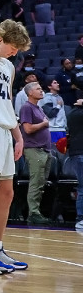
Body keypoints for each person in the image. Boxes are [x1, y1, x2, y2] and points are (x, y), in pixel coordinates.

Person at [0, 20, 29, 273]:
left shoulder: (8, 67)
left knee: (6, 192)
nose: (15, 52)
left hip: (4, 131)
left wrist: (18, 135)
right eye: (13, 46)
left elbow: (6, 101)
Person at [20, 81, 53, 226]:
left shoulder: (37, 108)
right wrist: (43, 124)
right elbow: (27, 129)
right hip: (34, 150)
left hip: (44, 150)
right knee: (36, 182)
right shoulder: (27, 107)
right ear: (30, 93)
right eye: (38, 89)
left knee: (41, 183)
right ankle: (33, 213)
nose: (41, 90)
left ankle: (36, 211)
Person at [66, 99, 83, 234]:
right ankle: (80, 218)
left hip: (77, 153)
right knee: (82, 187)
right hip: (79, 153)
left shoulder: (72, 113)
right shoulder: (77, 114)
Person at [45, 79, 67, 143]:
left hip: (62, 128)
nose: (58, 84)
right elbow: (50, 114)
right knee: (54, 151)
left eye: (57, 83)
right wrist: (58, 106)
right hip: (53, 129)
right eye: (55, 83)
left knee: (62, 151)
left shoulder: (59, 97)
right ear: (49, 86)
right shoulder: (46, 98)